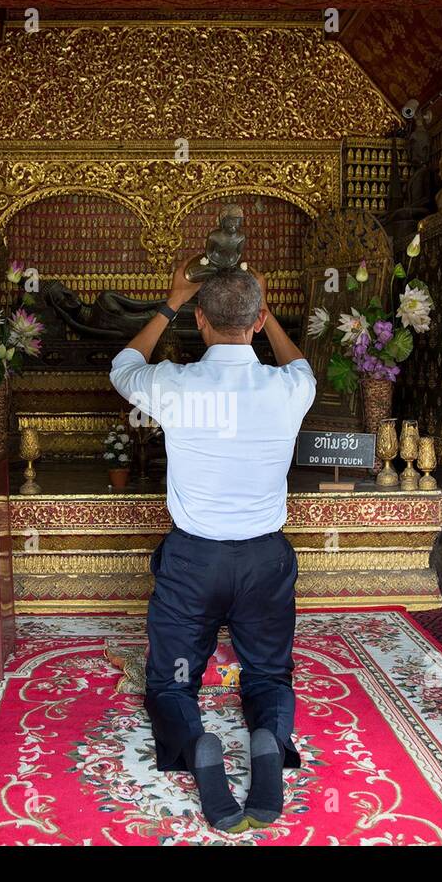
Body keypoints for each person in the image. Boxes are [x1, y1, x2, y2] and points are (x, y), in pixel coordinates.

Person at [109, 259, 316, 832]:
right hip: (263, 562)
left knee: (172, 679)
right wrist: (269, 319)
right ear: (255, 322)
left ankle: (196, 744)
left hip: (194, 563)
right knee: (269, 675)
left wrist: (168, 304)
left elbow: (123, 366)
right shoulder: (290, 389)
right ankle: (268, 742)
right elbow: (301, 364)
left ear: (199, 320)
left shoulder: (175, 383)